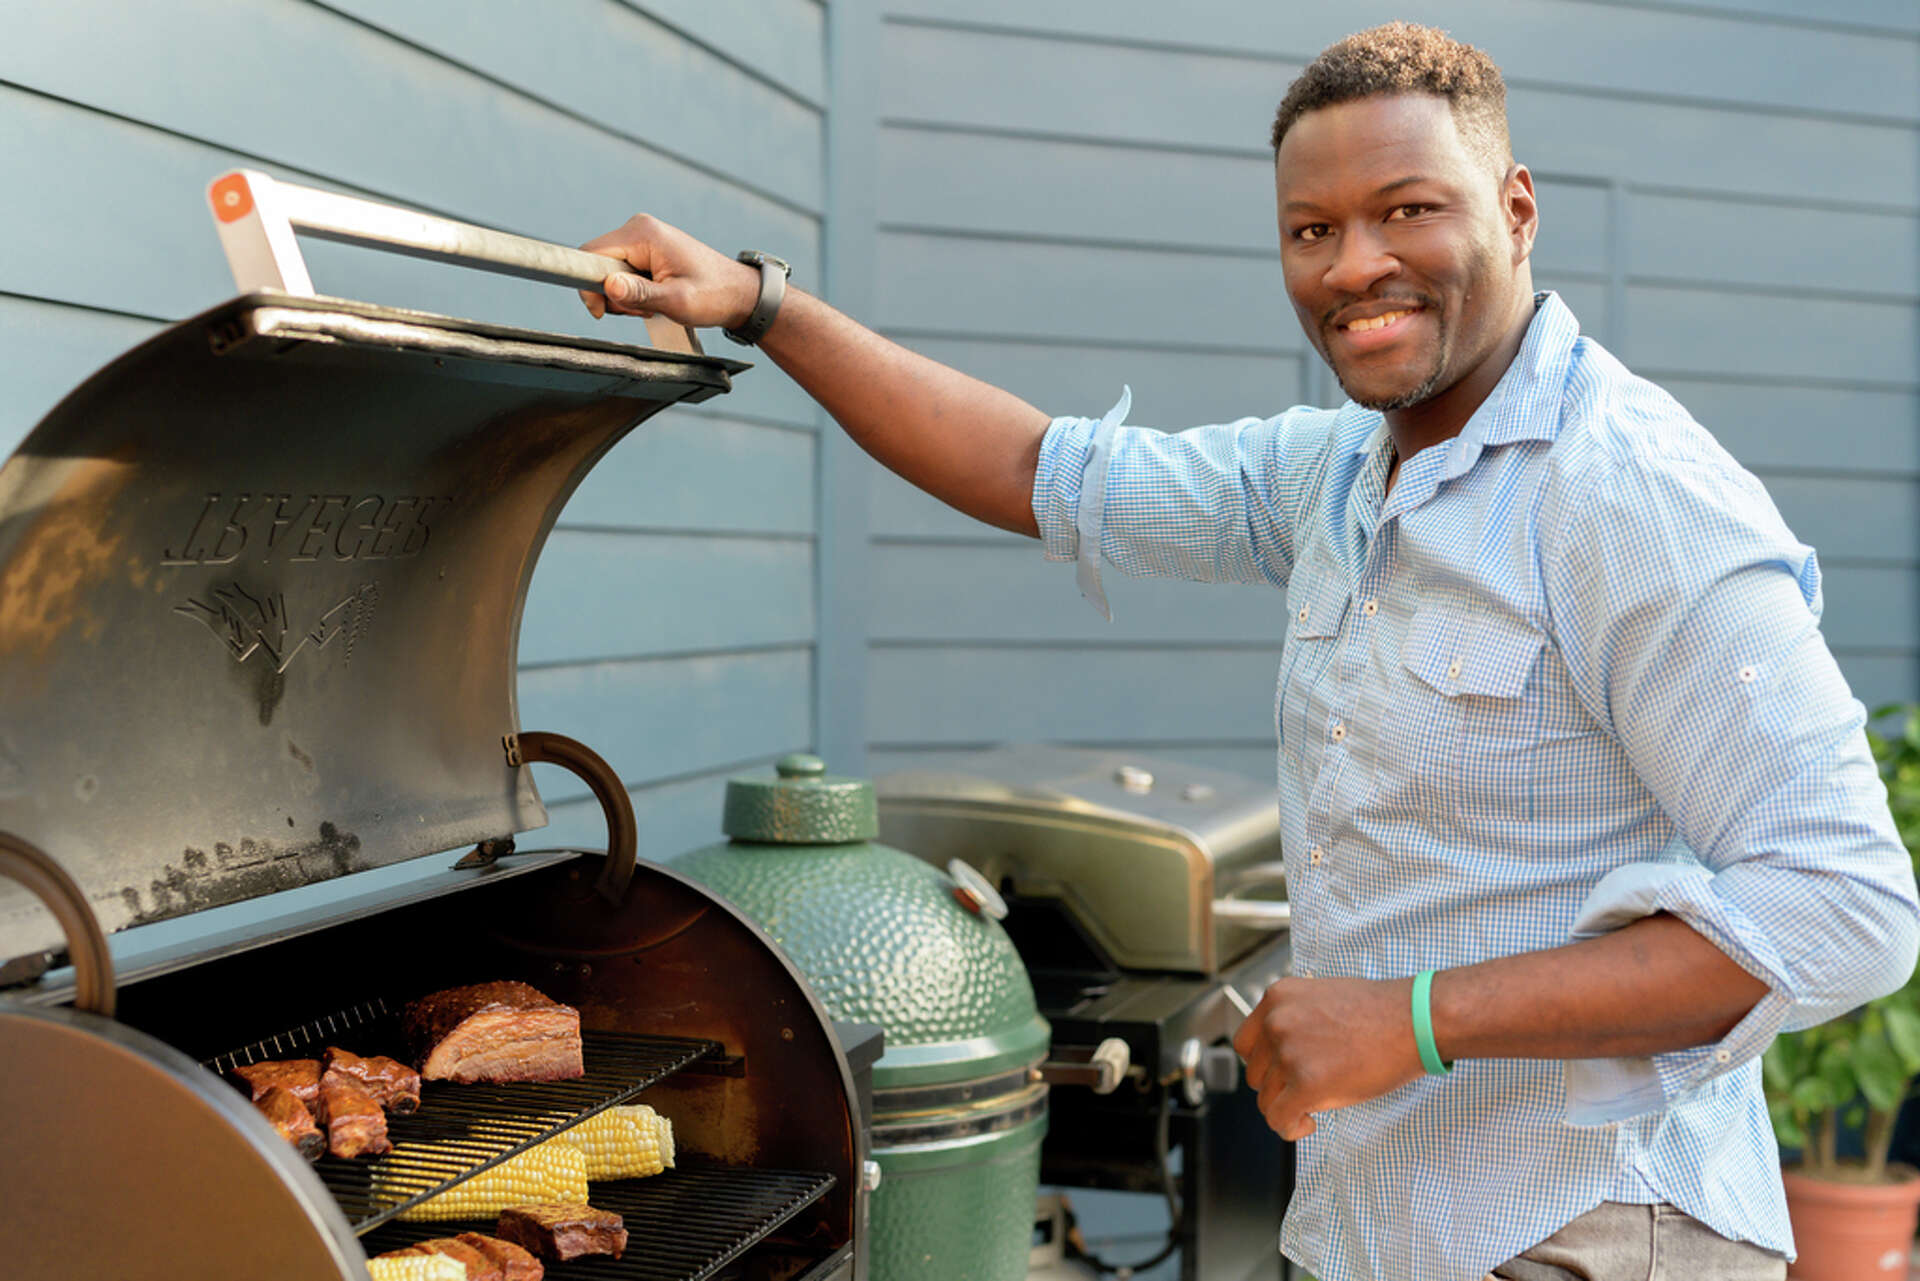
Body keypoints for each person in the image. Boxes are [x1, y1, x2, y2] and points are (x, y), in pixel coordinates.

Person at [576, 22, 1919, 1281]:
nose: (1353, 267)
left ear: (1516, 208)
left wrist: (1414, 1019)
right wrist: (762, 304)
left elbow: (1848, 905)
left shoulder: (1635, 497)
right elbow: (1047, 468)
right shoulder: (1336, 472)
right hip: (1378, 1220)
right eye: (1311, 229)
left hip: (1584, 1228)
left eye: (1408, 210)